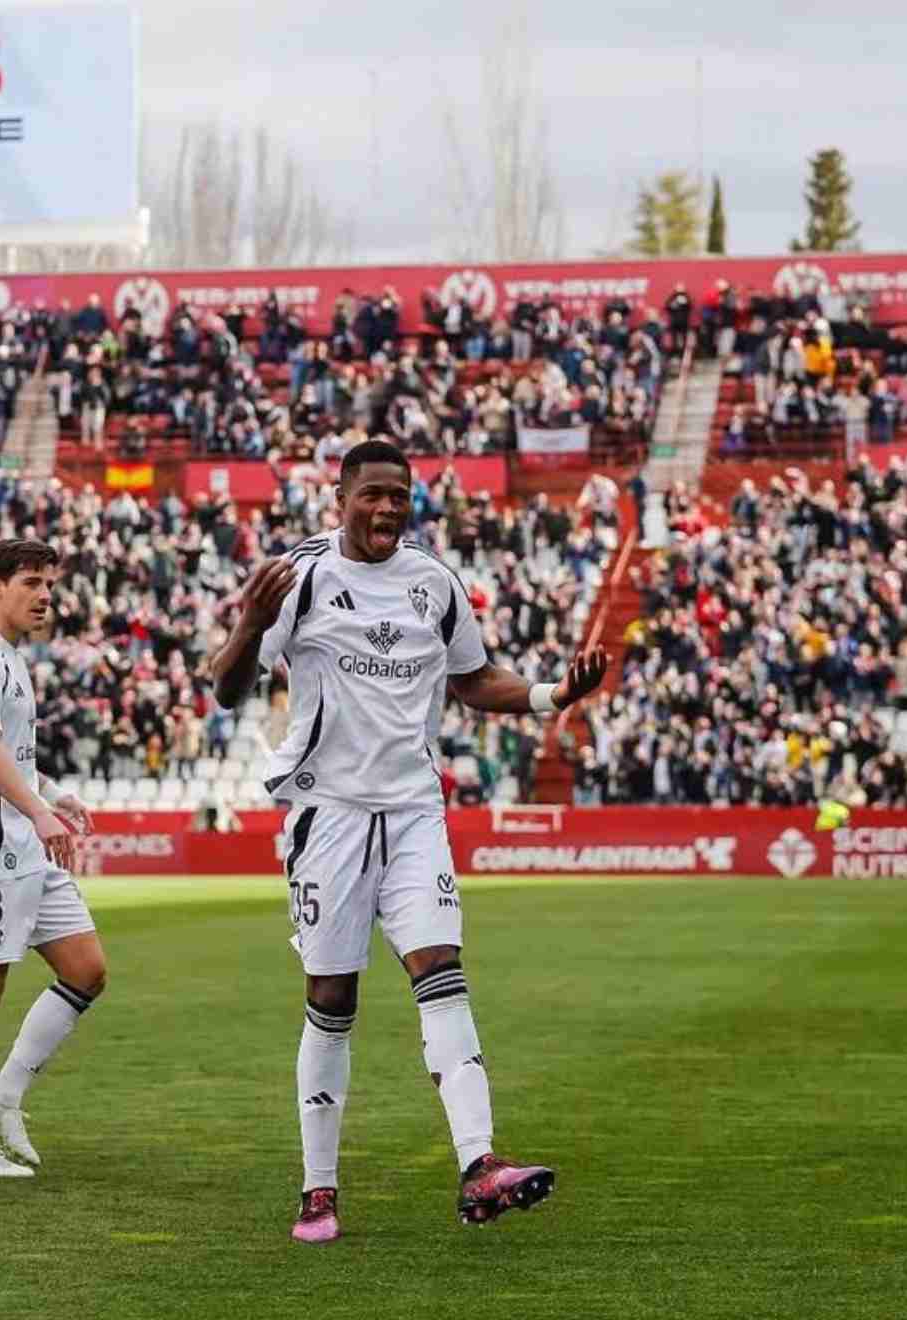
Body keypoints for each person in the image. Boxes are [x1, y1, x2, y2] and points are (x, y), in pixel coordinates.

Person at [208, 437, 609, 1244]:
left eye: (400, 494)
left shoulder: (434, 583)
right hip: (328, 815)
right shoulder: (302, 576)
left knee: (441, 969)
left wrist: (548, 695)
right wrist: (252, 623)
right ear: (342, 498)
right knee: (333, 999)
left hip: (414, 809)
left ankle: (479, 1164)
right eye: (373, 494)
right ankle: (318, 1190)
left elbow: (469, 678)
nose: (388, 507)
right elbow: (226, 689)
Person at [0, 539, 105, 1178]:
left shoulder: (10, 659)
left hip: (27, 846)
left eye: (50, 585)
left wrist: (52, 794)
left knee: (86, 970)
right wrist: (37, 811)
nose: (44, 596)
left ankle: (4, 1095)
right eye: (32, 582)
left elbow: (15, 751)